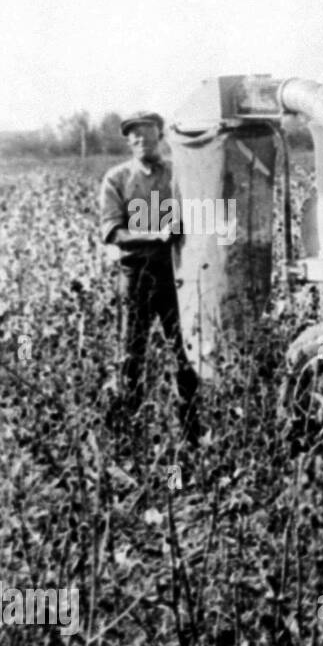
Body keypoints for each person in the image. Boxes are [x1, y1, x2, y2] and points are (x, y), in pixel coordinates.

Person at [98, 111, 200, 444]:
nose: (142, 141)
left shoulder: (177, 174)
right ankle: (128, 437)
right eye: (135, 137)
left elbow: (198, 212)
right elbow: (111, 231)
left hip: (173, 275)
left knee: (184, 352)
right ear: (129, 142)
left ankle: (191, 432)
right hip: (136, 275)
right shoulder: (117, 178)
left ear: (160, 136)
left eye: (148, 135)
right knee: (131, 354)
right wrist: (156, 235)